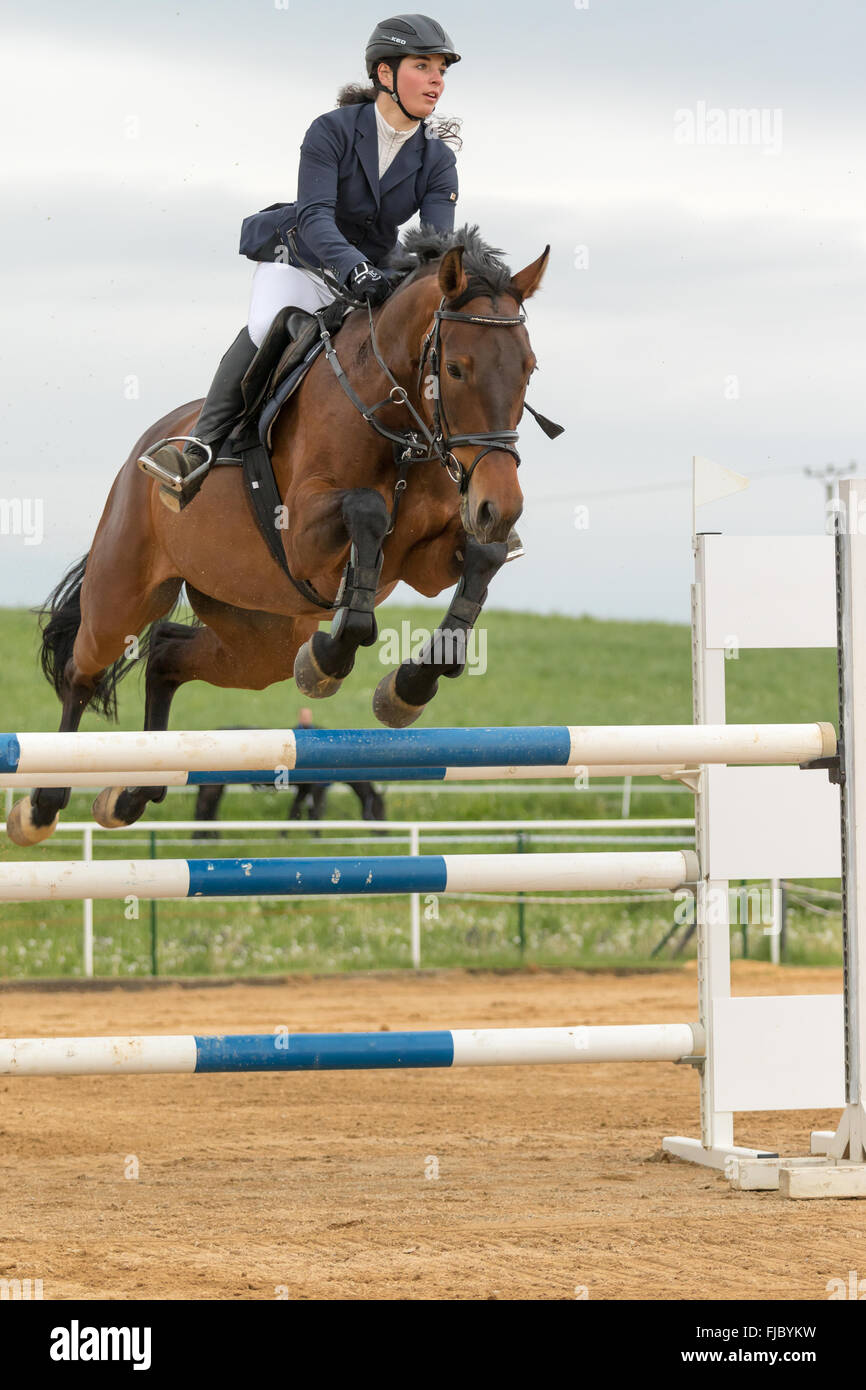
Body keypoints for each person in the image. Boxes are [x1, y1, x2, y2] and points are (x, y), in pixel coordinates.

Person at [139, 14, 462, 512]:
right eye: (424, 66)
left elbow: (436, 245)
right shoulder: (331, 131)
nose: (438, 79)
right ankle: (200, 446)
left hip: (377, 270)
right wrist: (354, 269)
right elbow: (315, 216)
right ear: (384, 74)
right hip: (305, 260)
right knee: (270, 322)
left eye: (442, 68)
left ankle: (458, 478)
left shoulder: (437, 159)